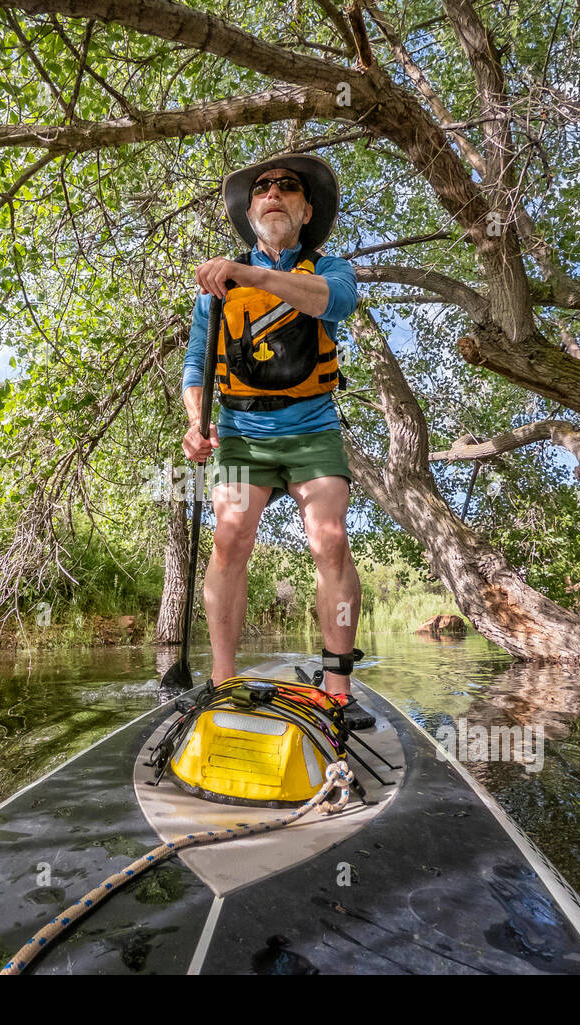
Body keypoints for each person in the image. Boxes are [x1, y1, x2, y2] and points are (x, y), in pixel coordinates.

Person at [180, 153, 364, 709]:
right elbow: (195, 364)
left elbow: (336, 304)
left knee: (329, 535)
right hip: (239, 432)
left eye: (288, 188)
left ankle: (337, 687)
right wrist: (196, 423)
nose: (274, 193)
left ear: (306, 212)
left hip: (313, 426)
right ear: (252, 211)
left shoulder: (331, 270)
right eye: (263, 188)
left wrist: (250, 274)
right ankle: (223, 680)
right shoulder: (214, 290)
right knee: (230, 536)